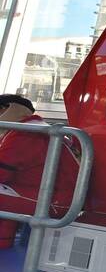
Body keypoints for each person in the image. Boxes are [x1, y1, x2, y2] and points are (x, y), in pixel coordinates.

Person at [0, 95, 82, 249]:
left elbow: (2, 173)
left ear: (11, 109)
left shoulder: (25, 133)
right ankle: (4, 244)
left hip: (56, 202)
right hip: (56, 197)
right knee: (7, 190)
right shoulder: (33, 127)